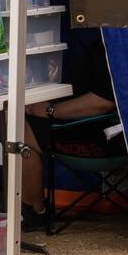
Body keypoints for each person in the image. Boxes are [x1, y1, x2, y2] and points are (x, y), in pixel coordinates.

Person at [20, 29, 116, 225]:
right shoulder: (111, 42)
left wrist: (50, 110)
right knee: (21, 121)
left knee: (19, 130)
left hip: (106, 140)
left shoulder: (108, 47)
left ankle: (34, 211)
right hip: (109, 135)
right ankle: (29, 209)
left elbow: (102, 102)